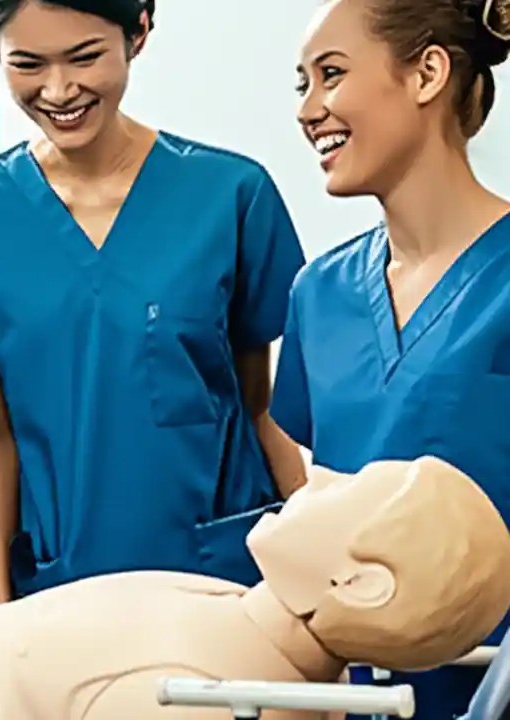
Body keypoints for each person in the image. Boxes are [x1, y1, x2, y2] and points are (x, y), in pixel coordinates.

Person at [0, 0, 308, 613]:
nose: (58, 90)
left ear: (140, 33)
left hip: (225, 580)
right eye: (28, 64)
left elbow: (259, 407)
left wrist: (319, 568)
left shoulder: (231, 194)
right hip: (61, 588)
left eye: (85, 58)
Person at [0, 456, 510, 718]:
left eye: (350, 489)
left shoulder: (200, 694)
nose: (321, 472)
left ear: (357, 582)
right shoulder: (247, 622)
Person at [276, 0, 510, 717]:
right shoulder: (321, 295)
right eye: (301, 85)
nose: (309, 109)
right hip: (362, 695)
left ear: (427, 73)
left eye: (332, 75)